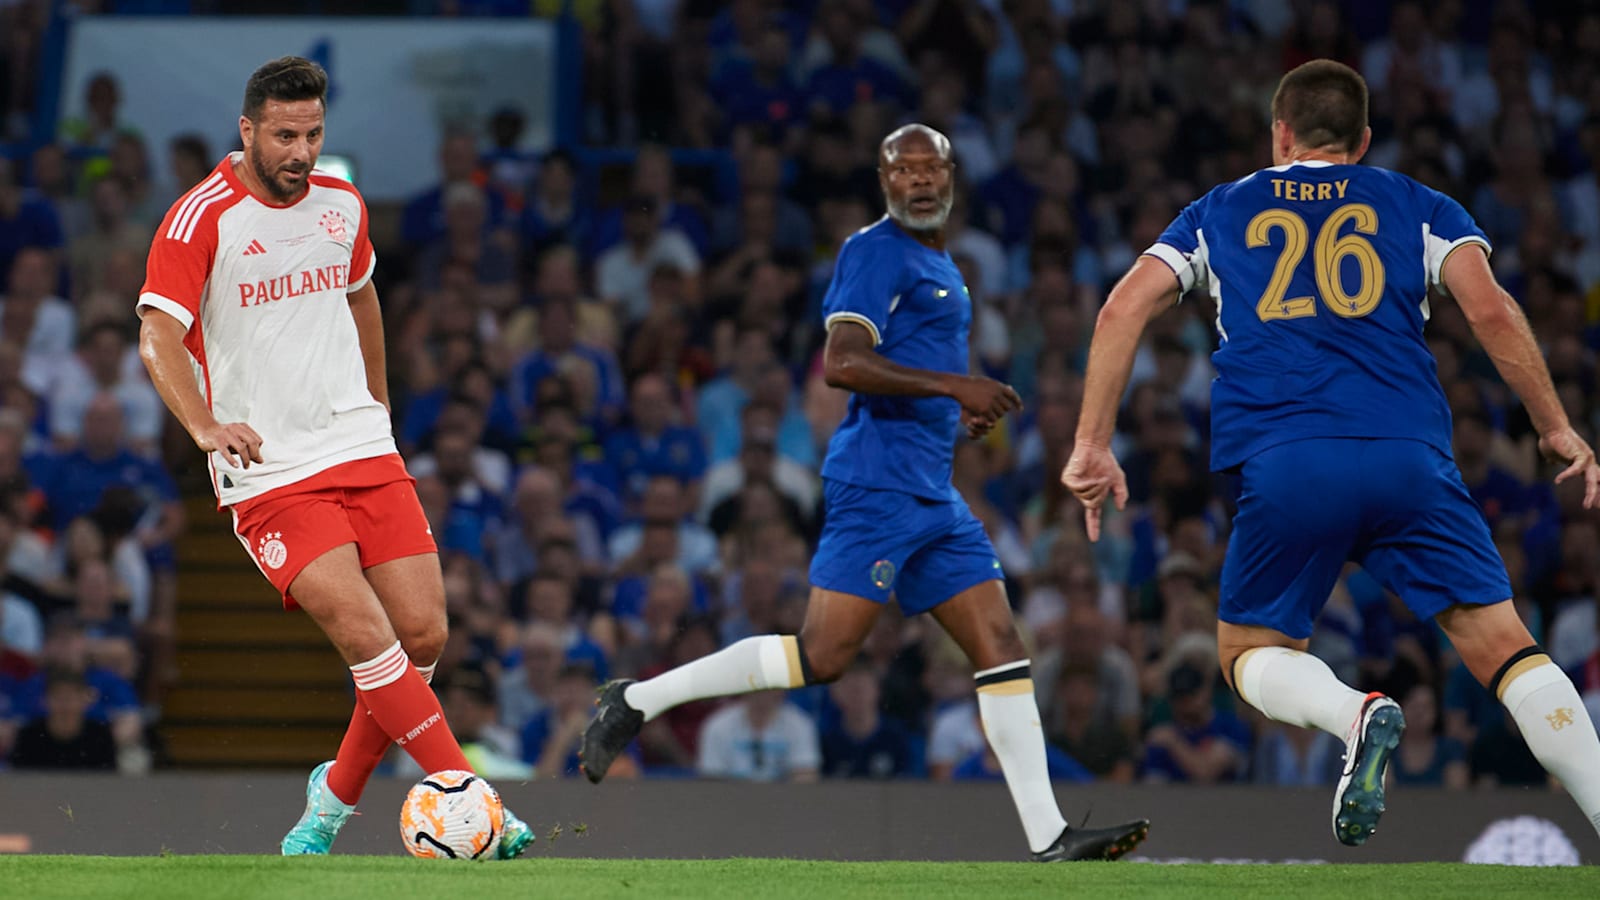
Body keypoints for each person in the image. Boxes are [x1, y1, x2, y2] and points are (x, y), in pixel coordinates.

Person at [1064, 59, 1600, 847]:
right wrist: (1555, 425)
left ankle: (1354, 715)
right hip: (1408, 457)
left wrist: (1092, 444)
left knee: (1248, 651)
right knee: (1505, 647)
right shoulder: (1417, 203)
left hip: (1290, 461)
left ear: (1280, 133)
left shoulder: (1220, 210)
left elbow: (1119, 310)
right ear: (1365, 139)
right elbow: (1489, 307)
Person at [581, 124, 1149, 862]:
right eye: (902, 170)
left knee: (1002, 644)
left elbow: (911, 364)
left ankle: (1049, 836)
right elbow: (843, 362)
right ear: (884, 182)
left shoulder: (939, 259)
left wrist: (953, 412)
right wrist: (955, 384)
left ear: (951, 177)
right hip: (876, 485)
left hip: (930, 491)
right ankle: (634, 701)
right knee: (823, 656)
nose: (918, 181)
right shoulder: (873, 251)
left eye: (930, 168)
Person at [135, 57, 532, 858]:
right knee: (365, 632)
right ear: (247, 131)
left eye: (313, 134)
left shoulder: (342, 206)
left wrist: (377, 408)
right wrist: (207, 427)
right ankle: (474, 798)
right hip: (271, 471)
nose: (300, 152)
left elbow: (362, 296)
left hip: (358, 445)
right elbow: (157, 337)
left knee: (421, 636)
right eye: (284, 135)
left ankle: (330, 801)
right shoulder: (198, 218)